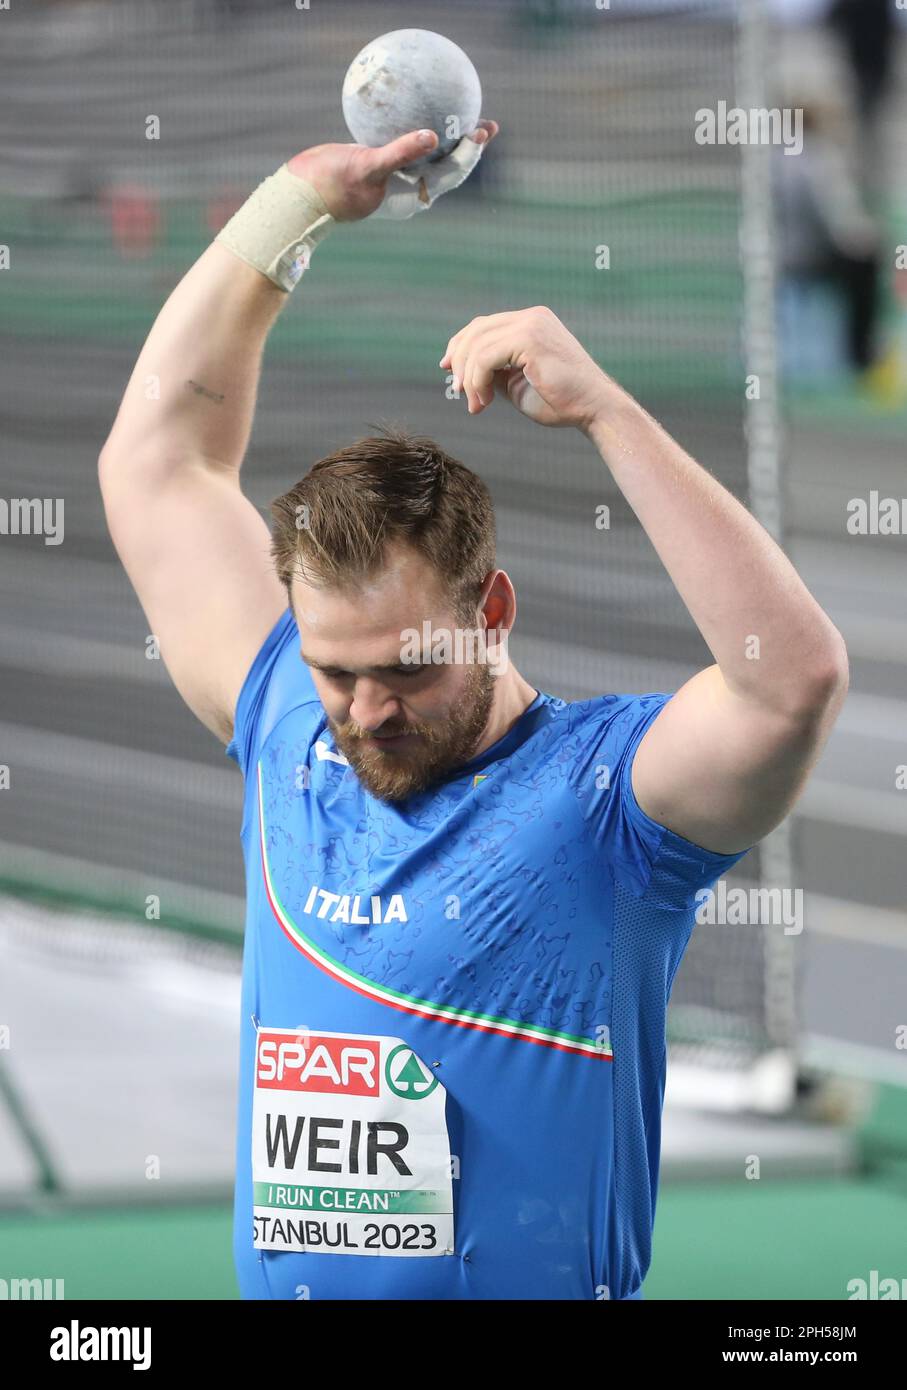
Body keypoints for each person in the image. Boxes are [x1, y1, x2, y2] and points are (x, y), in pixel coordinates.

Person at [98, 122, 848, 1300]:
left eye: (405, 667)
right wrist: (294, 203)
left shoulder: (608, 804)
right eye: (335, 670)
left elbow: (789, 676)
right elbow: (159, 457)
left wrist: (606, 409)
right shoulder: (286, 723)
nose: (366, 710)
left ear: (489, 610)